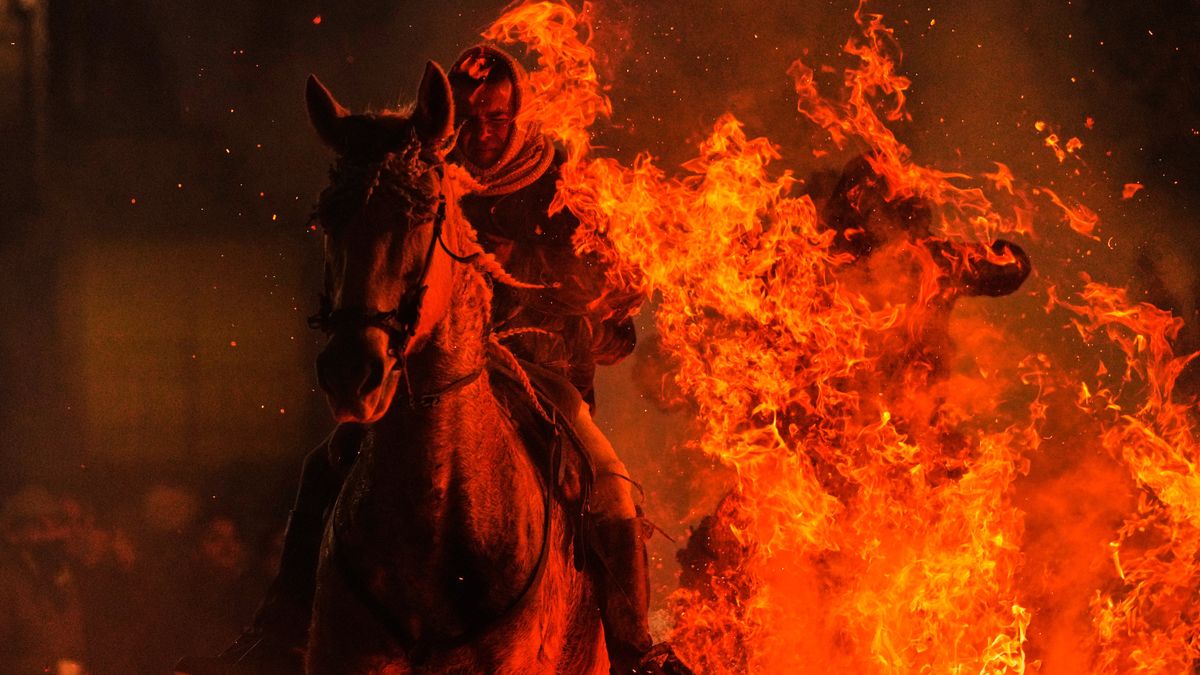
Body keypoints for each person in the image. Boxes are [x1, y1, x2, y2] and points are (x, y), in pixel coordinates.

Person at [447, 44, 687, 675]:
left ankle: (633, 649)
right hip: (440, 370)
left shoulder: (561, 184)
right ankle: (283, 623)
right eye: (468, 119)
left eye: (495, 118)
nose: (481, 133)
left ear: (517, 115)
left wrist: (524, 265)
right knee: (332, 462)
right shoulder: (433, 178)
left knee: (610, 488)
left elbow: (601, 297)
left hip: (537, 373)